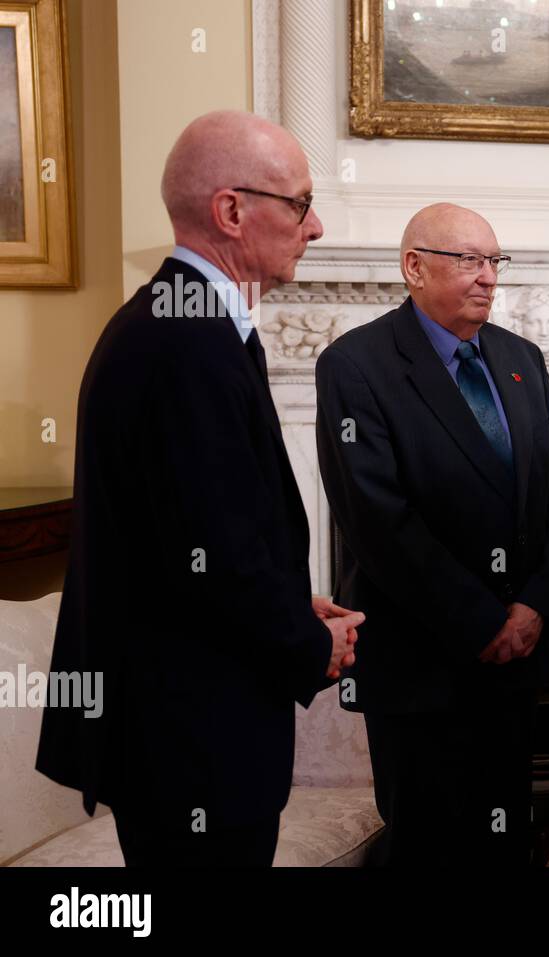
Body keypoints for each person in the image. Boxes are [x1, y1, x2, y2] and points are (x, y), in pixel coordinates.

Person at [35, 110, 363, 866]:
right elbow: (213, 560)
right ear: (230, 210)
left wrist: (290, 598)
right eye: (301, 203)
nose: (316, 226)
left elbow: (195, 538)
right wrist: (310, 641)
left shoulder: (178, 323)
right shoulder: (185, 343)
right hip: (191, 743)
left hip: (183, 732)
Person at [315, 203, 549, 867]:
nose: (488, 276)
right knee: (430, 850)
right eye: (469, 259)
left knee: (503, 844)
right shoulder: (356, 366)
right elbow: (378, 518)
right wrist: (483, 619)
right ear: (414, 267)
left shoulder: (523, 358)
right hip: (421, 668)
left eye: (495, 261)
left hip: (515, 663)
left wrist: (535, 606)